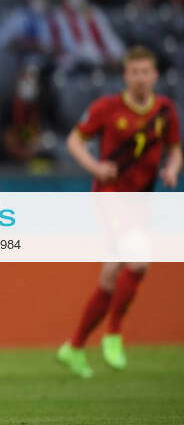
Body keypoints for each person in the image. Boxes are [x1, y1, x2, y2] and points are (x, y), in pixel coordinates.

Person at [57, 46, 181, 378]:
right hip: (109, 197)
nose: (141, 78)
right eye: (134, 72)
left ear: (155, 75)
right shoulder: (107, 108)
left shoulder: (165, 110)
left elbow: (174, 147)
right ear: (125, 76)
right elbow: (74, 141)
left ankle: (74, 346)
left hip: (142, 200)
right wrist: (95, 167)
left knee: (111, 276)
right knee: (138, 262)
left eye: (146, 72)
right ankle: (113, 333)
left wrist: (172, 169)